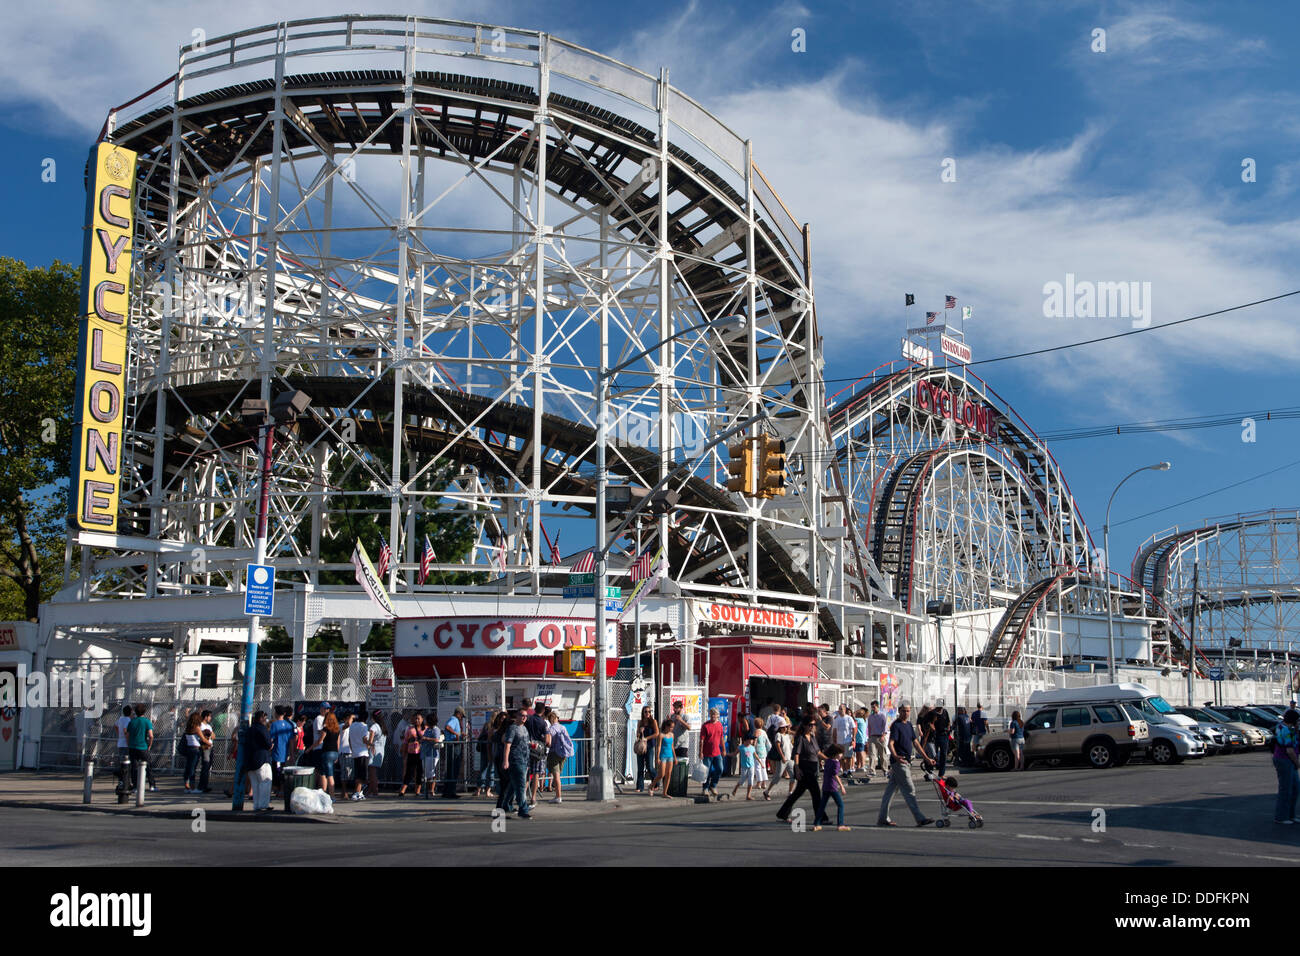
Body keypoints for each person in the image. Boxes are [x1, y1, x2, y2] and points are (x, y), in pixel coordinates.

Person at [876, 704, 934, 827]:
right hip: (900, 762)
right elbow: (890, 743)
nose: (906, 713)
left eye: (908, 711)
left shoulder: (908, 725)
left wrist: (927, 758)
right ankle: (920, 818)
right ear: (899, 711)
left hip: (905, 762)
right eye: (903, 711)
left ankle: (882, 818)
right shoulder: (896, 725)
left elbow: (916, 743)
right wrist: (896, 756)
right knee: (909, 789)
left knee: (890, 792)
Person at [776, 721, 825, 824]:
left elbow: (818, 752)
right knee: (816, 793)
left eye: (813, 725)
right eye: (810, 725)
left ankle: (782, 813)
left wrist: (828, 759)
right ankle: (821, 818)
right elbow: (797, 754)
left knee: (797, 793)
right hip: (804, 768)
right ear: (805, 726)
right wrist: (797, 769)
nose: (812, 727)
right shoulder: (800, 738)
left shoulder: (812, 737)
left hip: (812, 768)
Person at [500, 710, 533, 819]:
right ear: (517, 716)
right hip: (515, 760)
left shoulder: (524, 728)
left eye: (525, 716)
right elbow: (507, 745)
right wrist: (506, 760)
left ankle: (506, 804)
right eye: (522, 715)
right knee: (520, 785)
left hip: (524, 760)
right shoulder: (513, 728)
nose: (524, 717)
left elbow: (526, 744)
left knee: (513, 785)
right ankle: (523, 809)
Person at [1273, 709, 1300, 824]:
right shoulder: (1285, 730)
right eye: (1297, 720)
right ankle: (1281, 817)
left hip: (1288, 760)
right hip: (1285, 760)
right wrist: (1297, 764)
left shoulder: (1285, 727)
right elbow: (1289, 750)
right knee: (1286, 789)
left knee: (1295, 788)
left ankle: (1291, 815)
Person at [816, 743, 851, 831]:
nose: (841, 755)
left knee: (822, 805)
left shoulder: (828, 761)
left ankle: (817, 823)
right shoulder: (836, 763)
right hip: (832, 787)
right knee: (840, 805)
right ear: (836, 753)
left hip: (825, 786)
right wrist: (842, 786)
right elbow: (835, 775)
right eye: (840, 753)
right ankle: (840, 824)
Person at [522, 700, 550, 804]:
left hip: (528, 748)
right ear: (543, 711)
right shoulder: (543, 723)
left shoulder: (528, 719)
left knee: (526, 774)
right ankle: (533, 797)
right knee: (536, 774)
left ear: (534, 709)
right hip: (538, 751)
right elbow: (547, 740)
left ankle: (522, 795)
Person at [246, 710, 274, 812]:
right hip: (262, 759)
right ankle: (263, 804)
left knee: (255, 784)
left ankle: (257, 804)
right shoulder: (262, 729)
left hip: (250, 760)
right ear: (262, 718)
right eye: (265, 718)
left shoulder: (249, 729)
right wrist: (271, 745)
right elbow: (268, 744)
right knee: (265, 781)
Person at [126, 703, 158, 792]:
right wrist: (150, 745)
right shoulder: (147, 721)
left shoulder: (132, 722)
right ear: (145, 711)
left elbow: (127, 735)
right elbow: (151, 735)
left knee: (134, 767)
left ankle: (135, 786)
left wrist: (129, 744)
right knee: (148, 766)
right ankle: (152, 785)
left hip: (133, 747)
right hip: (143, 746)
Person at [311, 708, 341, 794]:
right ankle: (326, 793)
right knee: (326, 772)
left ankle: (331, 794)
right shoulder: (337, 730)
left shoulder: (326, 729)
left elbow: (320, 741)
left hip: (327, 752)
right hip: (335, 752)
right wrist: (337, 754)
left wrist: (310, 748)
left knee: (328, 775)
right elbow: (338, 742)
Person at [546, 710, 574, 803]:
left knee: (556, 776)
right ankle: (557, 794)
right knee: (558, 776)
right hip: (563, 753)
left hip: (554, 753)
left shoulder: (550, 729)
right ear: (557, 718)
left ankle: (558, 796)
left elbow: (548, 743)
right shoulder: (563, 727)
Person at [700, 707, 726, 799]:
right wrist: (701, 752)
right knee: (706, 772)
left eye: (715, 714)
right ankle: (705, 788)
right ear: (709, 715)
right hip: (707, 753)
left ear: (717, 715)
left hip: (717, 752)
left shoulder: (719, 725)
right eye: (712, 714)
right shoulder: (705, 725)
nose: (713, 716)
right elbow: (702, 740)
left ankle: (713, 785)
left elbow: (722, 738)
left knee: (720, 769)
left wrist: (723, 749)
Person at [269, 706, 295, 796]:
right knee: (282, 771)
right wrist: (292, 754)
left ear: (276, 713)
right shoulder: (289, 725)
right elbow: (292, 741)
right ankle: (280, 789)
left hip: (277, 753)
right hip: (285, 753)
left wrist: (269, 749)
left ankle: (280, 790)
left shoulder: (274, 725)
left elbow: (271, 740)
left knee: (277, 772)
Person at [398, 714, 424, 797]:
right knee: (409, 771)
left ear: (422, 719)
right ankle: (403, 790)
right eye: (415, 718)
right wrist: (404, 751)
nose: (417, 720)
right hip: (411, 752)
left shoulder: (425, 729)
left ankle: (418, 791)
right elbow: (405, 741)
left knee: (419, 772)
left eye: (418, 719)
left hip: (421, 753)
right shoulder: (410, 729)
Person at [766, 724, 796, 798]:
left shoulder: (788, 736)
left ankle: (790, 792)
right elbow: (778, 746)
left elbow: (796, 735)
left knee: (793, 776)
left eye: (786, 727)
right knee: (777, 776)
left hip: (789, 758)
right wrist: (782, 756)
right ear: (780, 728)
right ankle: (767, 791)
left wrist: (790, 731)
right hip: (783, 759)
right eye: (784, 727)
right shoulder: (778, 735)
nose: (785, 728)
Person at [650, 715, 676, 799]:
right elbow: (659, 746)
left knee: (668, 774)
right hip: (663, 756)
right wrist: (657, 757)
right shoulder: (661, 735)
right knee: (661, 774)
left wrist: (675, 757)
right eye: (671, 727)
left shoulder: (672, 735)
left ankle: (664, 792)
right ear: (666, 726)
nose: (672, 729)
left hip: (670, 756)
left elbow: (672, 746)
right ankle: (652, 785)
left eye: (672, 727)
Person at [443, 707, 467, 798]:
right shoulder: (454, 719)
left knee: (450, 769)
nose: (461, 718)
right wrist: (457, 734)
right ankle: (451, 791)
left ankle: (447, 791)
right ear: (458, 713)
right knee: (454, 768)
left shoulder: (454, 719)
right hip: (453, 745)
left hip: (452, 745)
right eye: (461, 716)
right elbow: (448, 727)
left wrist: (460, 734)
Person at [348, 708, 370, 801]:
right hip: (363, 752)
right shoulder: (364, 726)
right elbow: (365, 739)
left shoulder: (352, 725)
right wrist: (370, 744)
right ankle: (357, 793)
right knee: (363, 776)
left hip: (355, 753)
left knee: (358, 774)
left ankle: (358, 792)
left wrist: (353, 749)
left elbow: (349, 739)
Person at [635, 707, 659, 793]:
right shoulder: (640, 722)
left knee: (650, 767)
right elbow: (637, 735)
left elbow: (657, 733)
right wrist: (640, 732)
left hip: (649, 746)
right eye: (646, 712)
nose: (647, 713)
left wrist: (647, 738)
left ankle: (656, 782)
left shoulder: (653, 722)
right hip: (641, 746)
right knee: (640, 767)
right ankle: (639, 787)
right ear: (643, 713)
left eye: (649, 711)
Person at [475, 713, 498, 797]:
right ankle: (488, 790)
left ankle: (478, 789)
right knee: (491, 769)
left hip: (484, 748)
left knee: (483, 769)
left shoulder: (486, 725)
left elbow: (481, 736)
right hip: (491, 748)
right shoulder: (495, 726)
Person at [422, 713, 444, 799]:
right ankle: (428, 789)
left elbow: (436, 739)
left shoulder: (436, 729)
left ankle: (431, 789)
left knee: (431, 772)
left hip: (432, 754)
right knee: (427, 772)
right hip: (426, 753)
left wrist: (426, 739)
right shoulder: (427, 730)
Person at [731, 733, 759, 800]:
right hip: (744, 767)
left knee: (751, 781)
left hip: (751, 766)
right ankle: (735, 788)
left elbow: (755, 755)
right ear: (746, 740)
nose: (752, 741)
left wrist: (761, 763)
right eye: (751, 739)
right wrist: (727, 754)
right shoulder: (741, 747)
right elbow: (735, 753)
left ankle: (748, 795)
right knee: (742, 780)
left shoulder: (752, 748)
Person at [832, 705, 857, 778]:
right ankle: (844, 771)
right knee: (841, 757)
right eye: (839, 709)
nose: (840, 710)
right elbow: (834, 730)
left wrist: (853, 737)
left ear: (845, 710)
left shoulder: (849, 718)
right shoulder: (836, 719)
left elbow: (854, 728)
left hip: (848, 740)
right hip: (839, 741)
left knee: (848, 756)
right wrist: (834, 740)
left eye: (842, 709)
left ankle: (849, 770)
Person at [366, 711, 387, 796]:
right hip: (381, 750)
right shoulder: (383, 727)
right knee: (374, 772)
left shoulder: (374, 726)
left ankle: (375, 791)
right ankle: (370, 790)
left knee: (372, 773)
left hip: (373, 750)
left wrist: (366, 742)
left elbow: (370, 741)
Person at [181, 711, 203, 791]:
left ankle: (186, 783)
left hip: (189, 748)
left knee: (188, 766)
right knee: (193, 767)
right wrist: (209, 743)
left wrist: (186, 713)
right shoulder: (197, 728)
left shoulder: (188, 727)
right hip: (195, 749)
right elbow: (202, 738)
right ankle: (192, 786)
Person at [866, 701, 888, 778]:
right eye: (872, 707)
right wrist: (868, 738)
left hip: (880, 737)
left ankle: (885, 770)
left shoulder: (882, 715)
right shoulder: (870, 717)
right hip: (872, 737)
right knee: (872, 755)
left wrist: (883, 736)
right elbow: (869, 727)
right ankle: (872, 771)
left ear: (878, 707)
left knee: (883, 755)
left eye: (874, 707)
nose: (873, 708)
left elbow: (885, 726)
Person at [114, 705, 132, 789]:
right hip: (125, 744)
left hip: (120, 743)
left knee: (121, 762)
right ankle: (125, 781)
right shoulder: (128, 720)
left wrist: (119, 734)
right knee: (126, 763)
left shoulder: (120, 719)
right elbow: (125, 730)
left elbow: (116, 725)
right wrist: (128, 740)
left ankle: (122, 781)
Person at [753, 720, 771, 800]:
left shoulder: (756, 731)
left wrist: (752, 748)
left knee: (757, 767)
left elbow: (755, 741)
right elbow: (768, 743)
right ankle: (764, 783)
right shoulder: (764, 732)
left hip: (757, 751)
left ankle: (758, 783)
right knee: (763, 767)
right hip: (764, 752)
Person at [197, 710, 215, 792]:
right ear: (205, 717)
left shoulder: (209, 726)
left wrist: (209, 734)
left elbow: (213, 736)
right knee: (205, 765)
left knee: (208, 766)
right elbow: (203, 736)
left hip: (210, 746)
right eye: (209, 716)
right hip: (205, 747)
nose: (210, 718)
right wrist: (208, 735)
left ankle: (205, 785)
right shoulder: (200, 725)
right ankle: (201, 786)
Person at [931, 706, 951, 777]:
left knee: (944, 755)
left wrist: (948, 728)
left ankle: (941, 774)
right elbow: (930, 723)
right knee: (933, 754)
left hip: (944, 735)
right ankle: (931, 772)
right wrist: (933, 730)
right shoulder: (933, 713)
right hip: (935, 736)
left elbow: (948, 722)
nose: (941, 708)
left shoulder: (945, 712)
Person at [853, 708, 869, 775]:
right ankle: (859, 765)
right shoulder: (864, 720)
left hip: (859, 739)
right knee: (858, 752)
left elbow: (852, 719)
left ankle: (862, 765)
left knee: (860, 752)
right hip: (860, 738)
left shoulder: (859, 720)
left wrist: (854, 713)